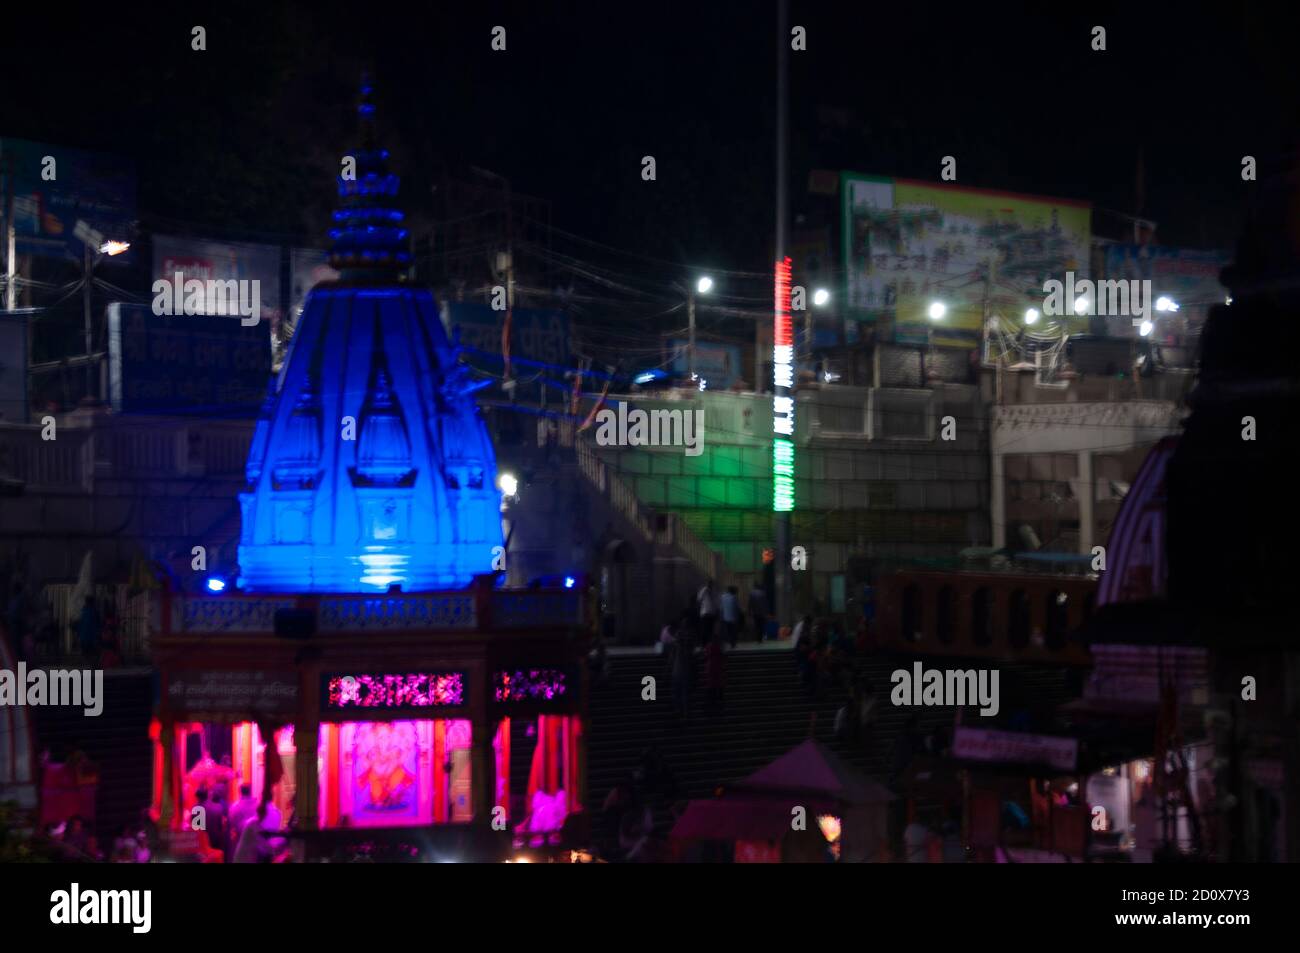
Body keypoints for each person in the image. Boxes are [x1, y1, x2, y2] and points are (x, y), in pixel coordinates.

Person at [227, 784, 258, 861]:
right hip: (256, 840)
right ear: (251, 792)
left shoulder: (235, 807)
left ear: (240, 792)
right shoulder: (259, 805)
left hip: (241, 839)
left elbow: (231, 823)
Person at [705, 632, 725, 714]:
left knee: (712, 687)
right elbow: (722, 655)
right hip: (717, 668)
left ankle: (712, 704)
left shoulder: (709, 646)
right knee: (718, 686)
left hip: (712, 668)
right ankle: (719, 704)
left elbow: (707, 655)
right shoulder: (718, 647)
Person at [695, 579, 718, 644]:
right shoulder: (704, 590)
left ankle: (709, 643)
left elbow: (715, 602)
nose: (710, 585)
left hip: (711, 613)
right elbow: (699, 599)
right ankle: (704, 643)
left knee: (710, 629)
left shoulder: (713, 591)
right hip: (705, 613)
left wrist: (716, 611)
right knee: (705, 629)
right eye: (709, 583)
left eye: (711, 584)